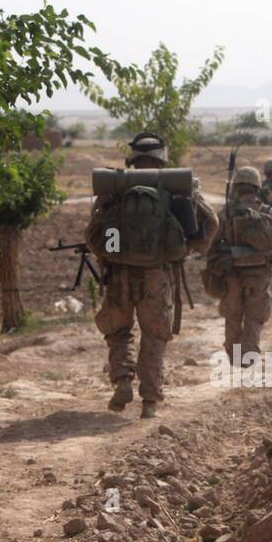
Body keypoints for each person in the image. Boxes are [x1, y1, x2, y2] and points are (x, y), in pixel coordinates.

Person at [84, 132, 217, 420]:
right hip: (157, 274)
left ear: (131, 158)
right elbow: (212, 222)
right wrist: (190, 249)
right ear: (163, 158)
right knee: (155, 335)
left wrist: (108, 255)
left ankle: (121, 382)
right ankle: (150, 402)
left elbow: (94, 233)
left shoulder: (116, 186)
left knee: (118, 331)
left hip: (119, 274)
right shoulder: (176, 187)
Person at [205, 167, 272, 360]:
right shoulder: (269, 213)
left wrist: (218, 262)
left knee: (232, 315)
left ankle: (234, 355)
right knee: (255, 316)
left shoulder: (225, 214)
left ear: (236, 187)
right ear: (257, 187)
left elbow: (211, 243)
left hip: (232, 274)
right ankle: (249, 353)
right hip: (259, 274)